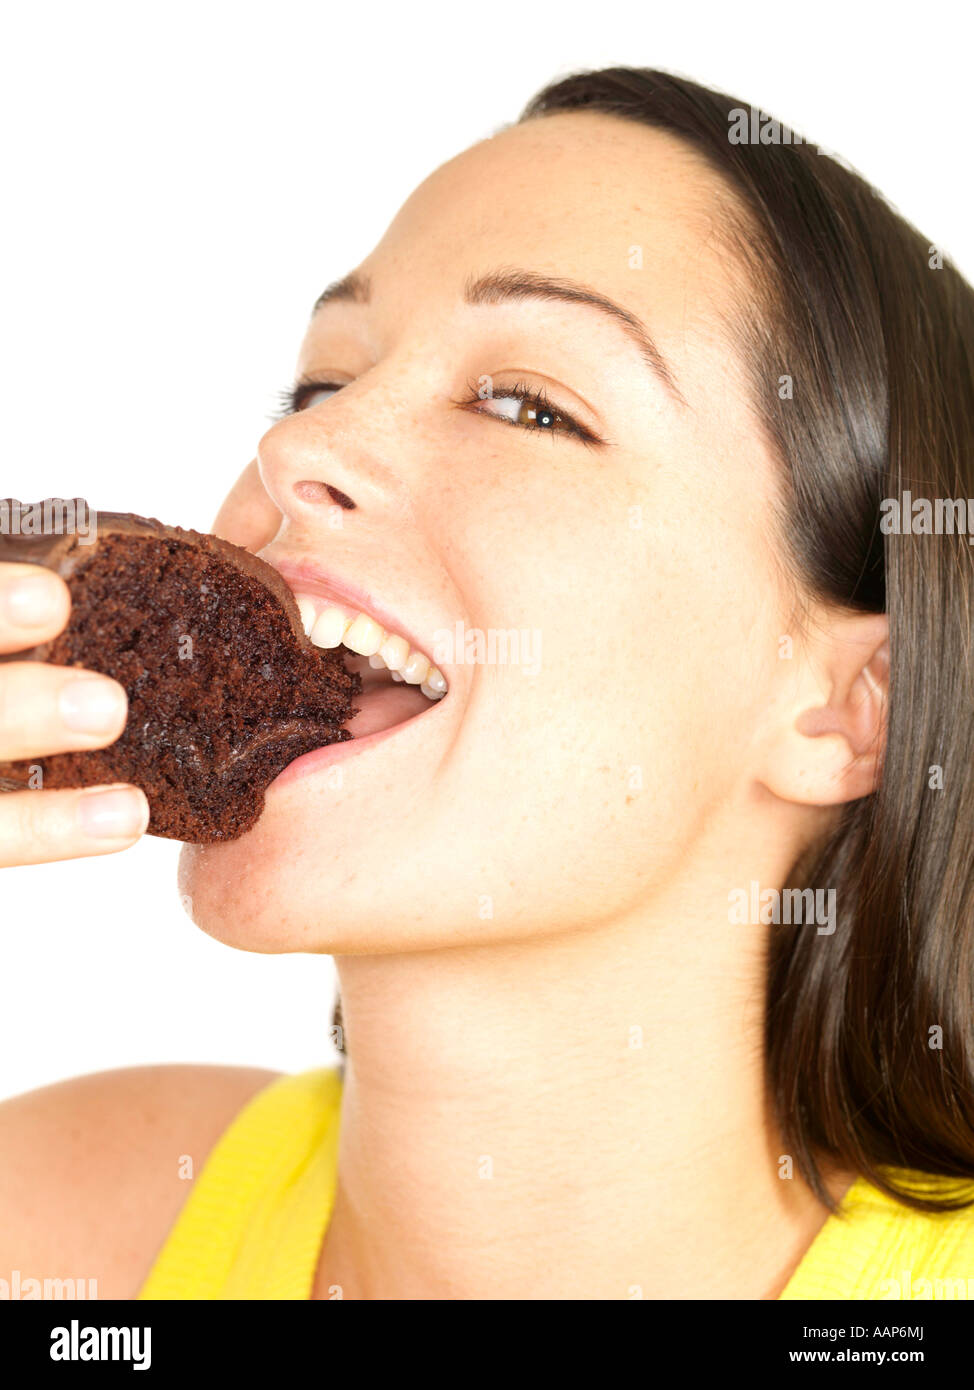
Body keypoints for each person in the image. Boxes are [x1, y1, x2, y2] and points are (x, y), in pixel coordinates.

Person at [2, 67, 973, 1300]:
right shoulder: (52, 1239)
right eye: (319, 382)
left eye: (525, 405)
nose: (299, 446)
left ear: (841, 710)